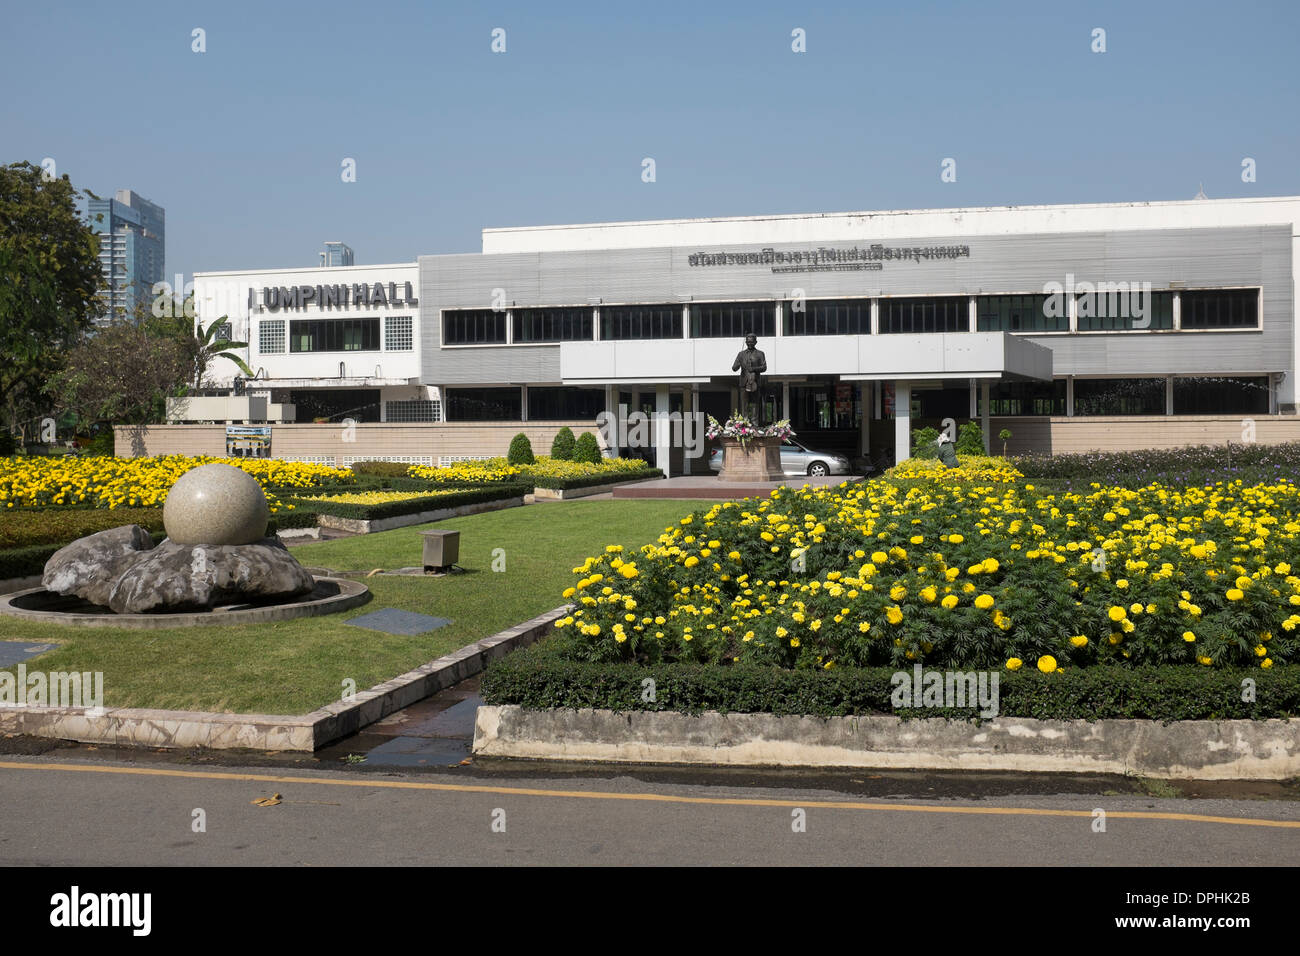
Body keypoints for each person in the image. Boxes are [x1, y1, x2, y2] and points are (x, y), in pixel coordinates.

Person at [732, 333, 767, 423]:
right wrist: (738, 364)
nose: (749, 343)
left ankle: (755, 422)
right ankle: (745, 421)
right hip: (744, 382)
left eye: (751, 342)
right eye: (747, 342)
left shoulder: (760, 353)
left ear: (755, 342)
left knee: (755, 403)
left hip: (755, 382)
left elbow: (764, 367)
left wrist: (754, 369)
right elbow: (734, 368)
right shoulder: (741, 354)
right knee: (744, 403)